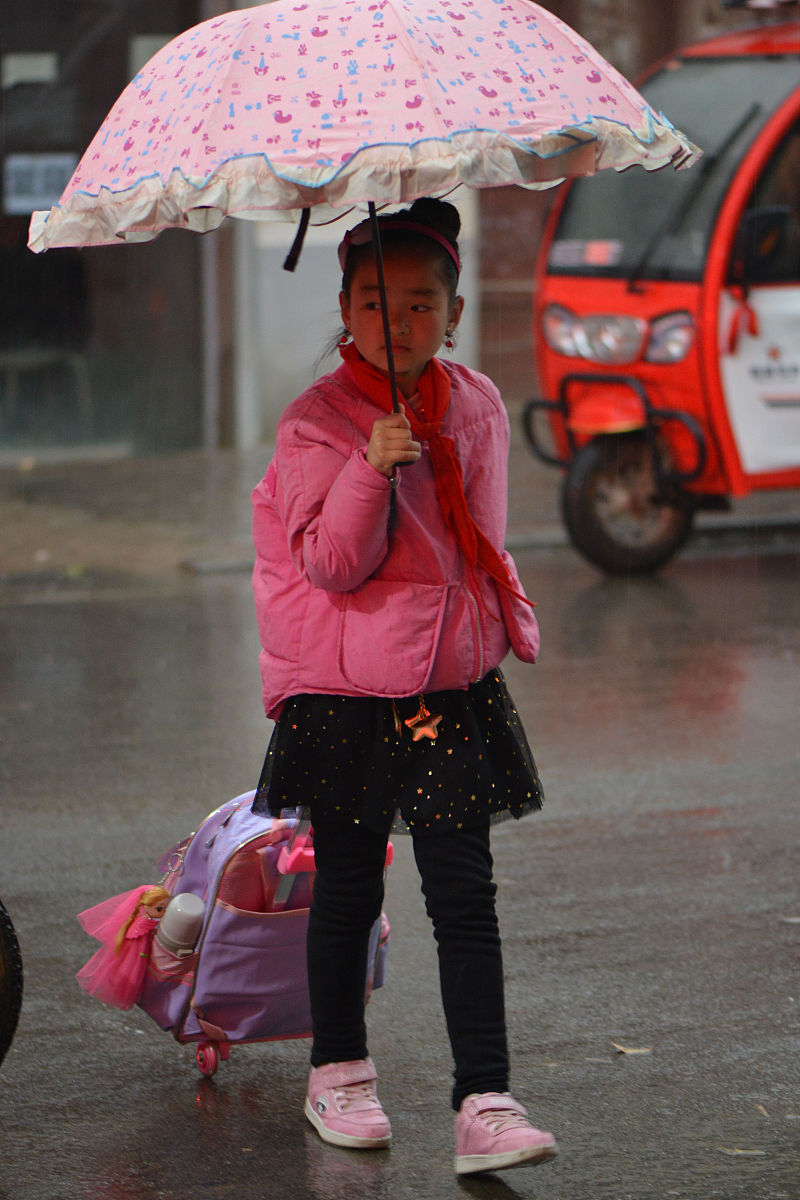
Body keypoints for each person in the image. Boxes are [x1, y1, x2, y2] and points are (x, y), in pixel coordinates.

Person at [250, 197, 557, 1176]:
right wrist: (369, 471)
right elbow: (332, 568)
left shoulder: (475, 405)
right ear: (345, 308)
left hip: (442, 691)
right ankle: (336, 1069)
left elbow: (478, 546)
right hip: (346, 696)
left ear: (453, 314)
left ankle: (485, 1100)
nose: (399, 322)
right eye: (376, 302)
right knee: (343, 886)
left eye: (421, 304)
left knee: (463, 892)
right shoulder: (313, 426)